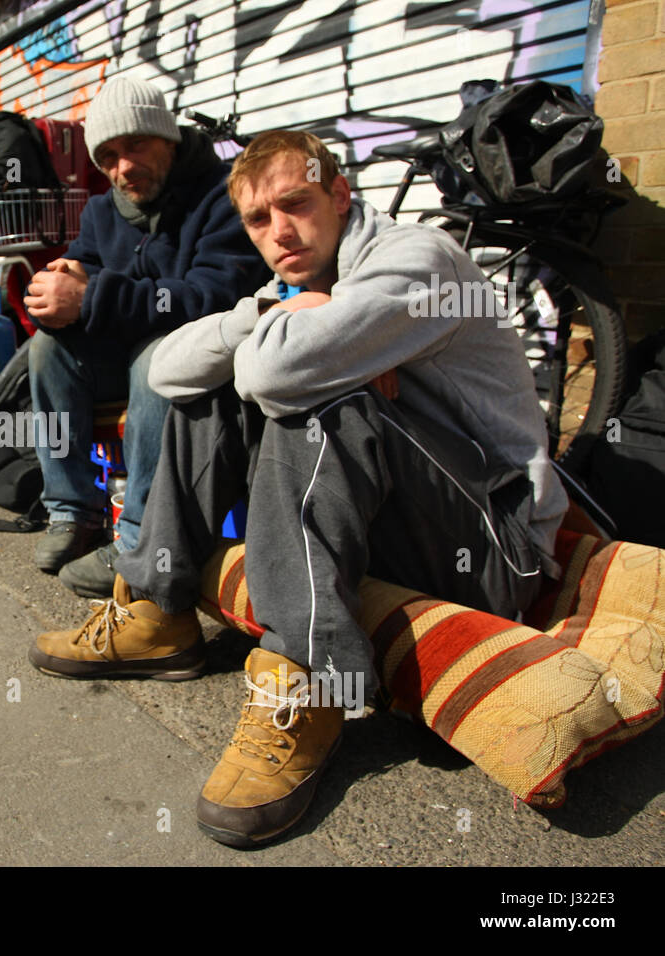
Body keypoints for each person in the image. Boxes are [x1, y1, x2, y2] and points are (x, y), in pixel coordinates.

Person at [29, 129, 568, 849]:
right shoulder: (299, 283)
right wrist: (268, 315)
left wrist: (290, 349)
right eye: (259, 219)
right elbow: (166, 372)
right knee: (206, 390)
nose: (280, 231)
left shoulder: (413, 261)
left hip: (500, 546)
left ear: (341, 196)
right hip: (411, 522)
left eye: (297, 204)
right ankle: (159, 611)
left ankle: (308, 680)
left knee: (310, 400)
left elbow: (271, 378)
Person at [22, 75, 267, 596]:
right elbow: (80, 284)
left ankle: (138, 539)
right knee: (48, 350)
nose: (123, 167)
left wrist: (92, 298)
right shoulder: (102, 211)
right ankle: (74, 511)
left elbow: (214, 298)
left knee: (160, 355)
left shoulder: (220, 199)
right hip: (125, 360)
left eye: (136, 145)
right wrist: (54, 301)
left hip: (205, 365)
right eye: (108, 156)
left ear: (169, 140)